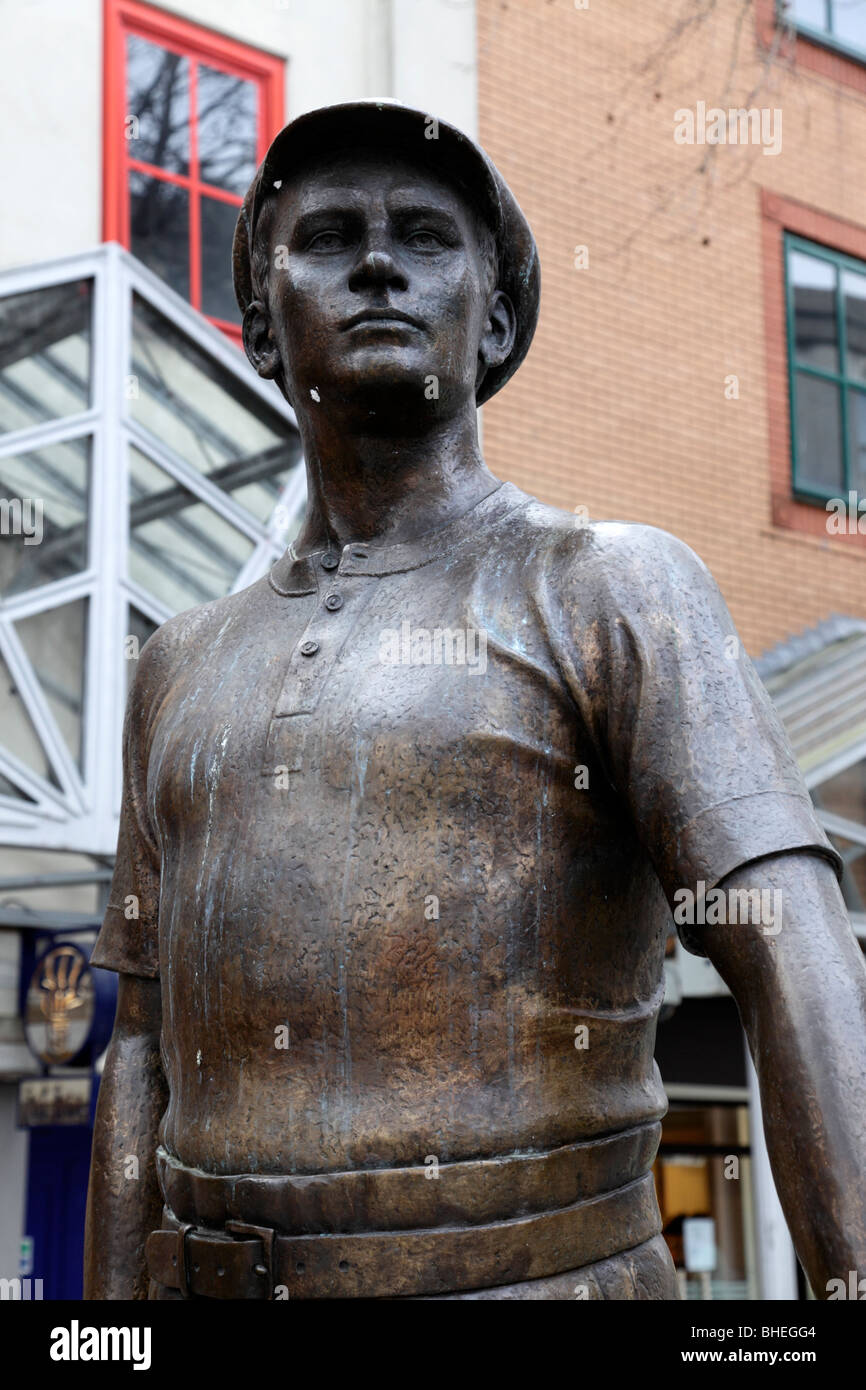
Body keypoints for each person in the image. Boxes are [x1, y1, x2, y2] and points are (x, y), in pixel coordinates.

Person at [84, 101, 866, 1301]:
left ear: (493, 317)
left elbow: (790, 946)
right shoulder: (176, 661)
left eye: (428, 237)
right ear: (257, 323)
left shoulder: (608, 584)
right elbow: (138, 1044)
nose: (381, 263)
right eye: (331, 236)